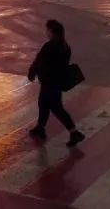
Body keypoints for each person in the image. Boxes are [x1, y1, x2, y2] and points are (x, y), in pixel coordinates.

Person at [27, 19, 84, 148]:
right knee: (43, 104)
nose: (46, 32)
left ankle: (74, 132)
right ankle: (40, 127)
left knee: (56, 108)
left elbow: (39, 61)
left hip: (49, 82)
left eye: (47, 30)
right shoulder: (65, 46)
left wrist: (32, 72)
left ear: (51, 31)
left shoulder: (49, 46)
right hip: (57, 82)